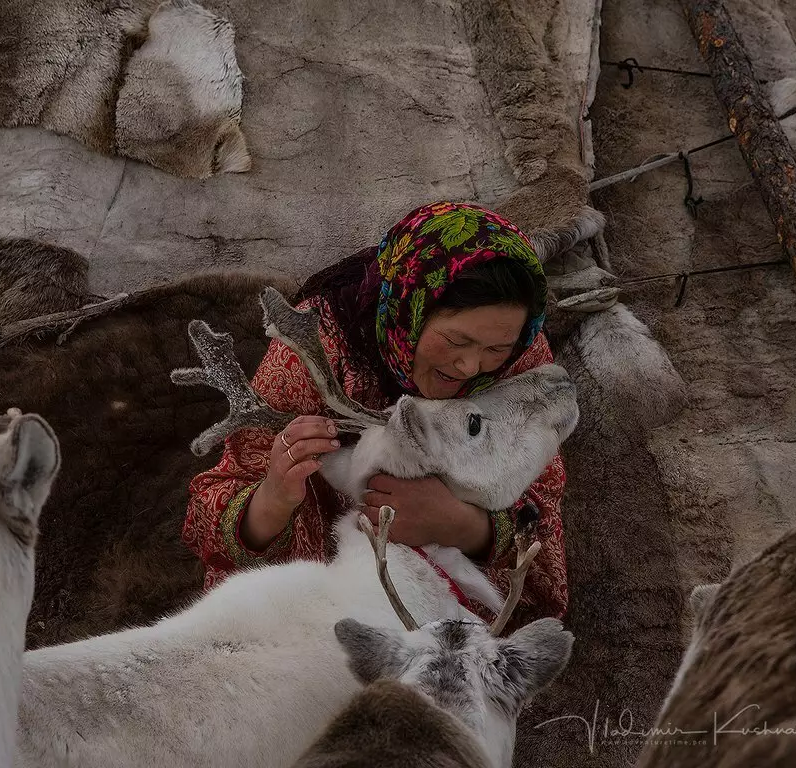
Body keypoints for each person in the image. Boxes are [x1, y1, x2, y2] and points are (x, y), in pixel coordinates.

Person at [181, 201, 568, 627]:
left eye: (495, 349)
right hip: (331, 579)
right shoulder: (314, 355)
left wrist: (463, 526)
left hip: (449, 587)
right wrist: (274, 496)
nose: (471, 367)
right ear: (410, 310)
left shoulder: (521, 357)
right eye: (456, 341)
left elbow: (541, 503)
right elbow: (211, 516)